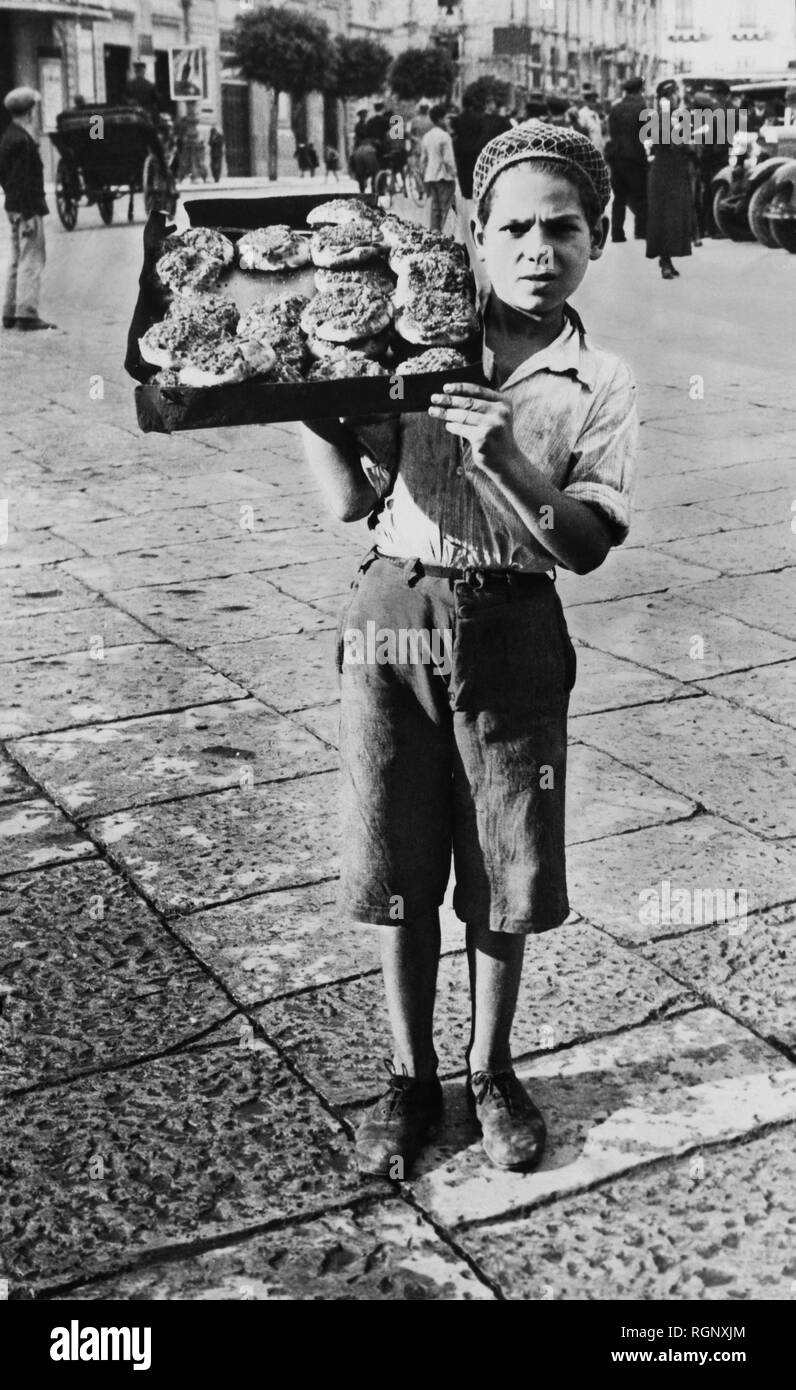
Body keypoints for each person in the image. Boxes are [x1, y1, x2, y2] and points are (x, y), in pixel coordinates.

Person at [299, 121, 636, 1179]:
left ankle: (491, 1068)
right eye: (516, 230)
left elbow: (581, 546)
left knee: (504, 862)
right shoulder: (413, 343)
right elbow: (355, 497)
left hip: (517, 627)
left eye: (564, 229)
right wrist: (311, 398)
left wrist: (506, 460)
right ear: (476, 239)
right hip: (394, 615)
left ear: (598, 237)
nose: (540, 250)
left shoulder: (598, 380)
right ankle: (409, 1077)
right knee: (396, 859)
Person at [0, 88, 55, 331]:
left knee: (15, 259)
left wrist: (13, 207)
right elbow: (24, 180)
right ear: (30, 111)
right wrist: (28, 214)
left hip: (13, 206)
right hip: (28, 208)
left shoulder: (8, 136)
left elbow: (6, 177)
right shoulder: (23, 140)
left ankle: (9, 312)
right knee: (32, 258)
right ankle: (27, 313)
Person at [646, 79, 692, 278]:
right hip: (664, 173)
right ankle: (664, 260)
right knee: (664, 217)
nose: (676, 97)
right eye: (674, 94)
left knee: (673, 217)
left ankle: (668, 259)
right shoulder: (661, 117)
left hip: (673, 171)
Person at [606, 75, 648, 242]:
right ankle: (640, 230)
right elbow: (648, 133)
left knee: (619, 197)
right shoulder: (642, 107)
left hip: (617, 157)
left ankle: (617, 233)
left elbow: (612, 131)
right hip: (635, 157)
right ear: (639, 90)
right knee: (640, 195)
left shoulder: (616, 108)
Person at [420, 103, 457, 232]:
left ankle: (434, 233)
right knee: (446, 207)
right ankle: (445, 235)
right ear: (440, 119)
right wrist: (454, 173)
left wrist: (424, 176)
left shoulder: (427, 136)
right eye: (446, 118)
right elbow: (448, 160)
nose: (447, 121)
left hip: (430, 177)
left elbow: (423, 160)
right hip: (444, 176)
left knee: (435, 208)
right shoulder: (444, 136)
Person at [450, 91, 484, 201]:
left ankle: (465, 192)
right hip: (474, 150)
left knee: (462, 171)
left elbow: (454, 131)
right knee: (472, 170)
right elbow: (480, 132)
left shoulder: (457, 119)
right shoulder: (478, 119)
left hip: (460, 150)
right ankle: (472, 190)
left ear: (463, 105)